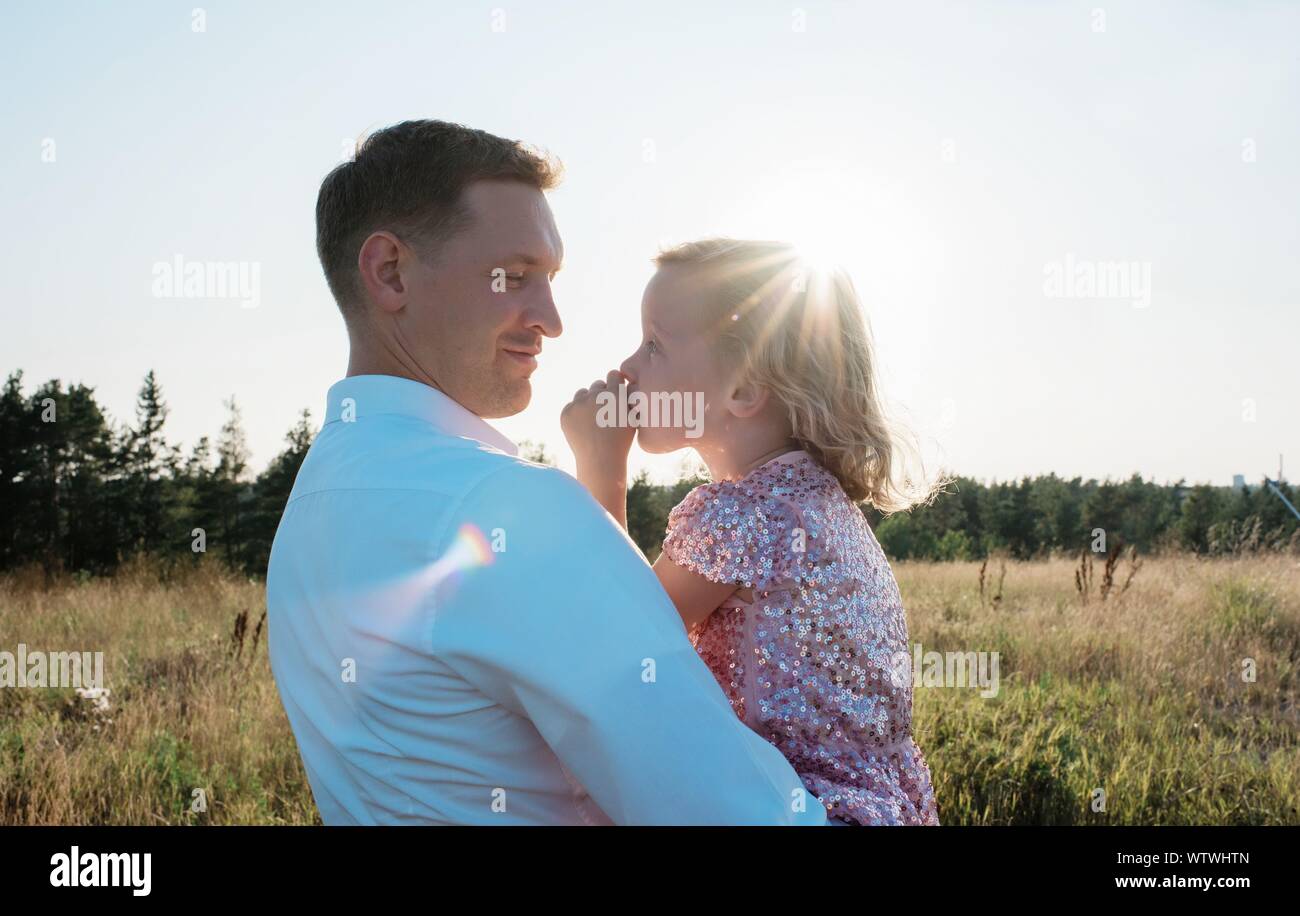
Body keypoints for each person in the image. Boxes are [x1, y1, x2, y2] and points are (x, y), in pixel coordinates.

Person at [266, 120, 826, 826]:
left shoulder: (307, 513)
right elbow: (741, 813)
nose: (553, 319)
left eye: (551, 280)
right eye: (516, 276)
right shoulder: (509, 509)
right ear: (390, 272)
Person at [562, 238, 942, 824]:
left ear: (742, 390)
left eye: (655, 345)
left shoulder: (741, 517)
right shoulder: (816, 504)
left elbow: (615, 642)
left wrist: (601, 464)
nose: (627, 368)